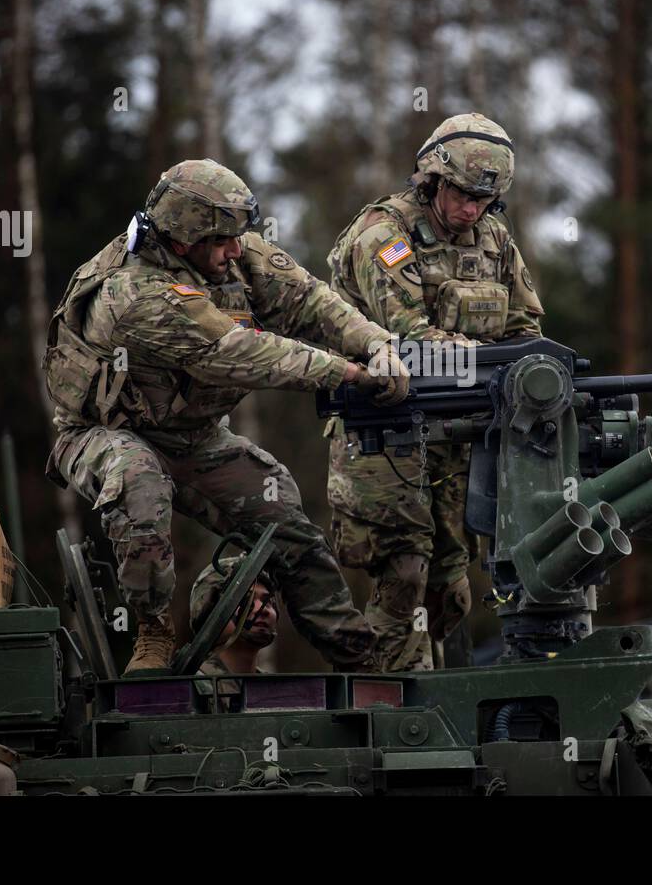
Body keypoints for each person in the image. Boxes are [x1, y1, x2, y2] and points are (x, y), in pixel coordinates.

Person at [43, 159, 408, 674]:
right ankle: (152, 630)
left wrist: (375, 343)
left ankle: (360, 662)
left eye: (239, 237)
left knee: (281, 515)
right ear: (181, 239)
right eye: (222, 241)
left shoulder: (235, 252)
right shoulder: (132, 295)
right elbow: (240, 353)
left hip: (192, 437)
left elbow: (308, 302)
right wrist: (349, 374)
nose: (237, 251)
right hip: (103, 434)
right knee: (139, 481)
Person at [324, 113, 544, 671]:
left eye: (484, 201)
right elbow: (409, 341)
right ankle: (386, 711)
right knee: (403, 574)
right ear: (431, 178)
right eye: (463, 195)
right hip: (384, 433)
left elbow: (526, 330)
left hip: (458, 432)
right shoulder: (384, 235)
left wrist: (534, 373)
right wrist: (493, 366)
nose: (471, 211)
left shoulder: (494, 238)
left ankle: (438, 704)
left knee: (449, 588)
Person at [188, 558, 278, 712]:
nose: (263, 609)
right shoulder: (190, 689)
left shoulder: (276, 691)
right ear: (211, 613)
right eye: (246, 600)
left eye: (266, 601)